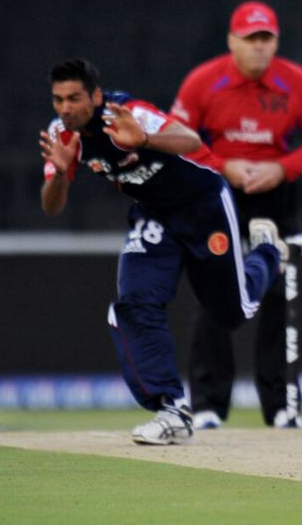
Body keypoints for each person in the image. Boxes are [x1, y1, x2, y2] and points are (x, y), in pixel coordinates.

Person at [39, 57, 286, 445]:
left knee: (232, 312)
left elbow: (191, 140)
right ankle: (172, 408)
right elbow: (51, 206)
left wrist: (144, 140)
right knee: (136, 302)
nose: (66, 109)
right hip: (155, 217)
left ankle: (268, 252)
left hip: (203, 207)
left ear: (96, 96)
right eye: (58, 100)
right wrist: (61, 178)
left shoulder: (129, 113)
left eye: (74, 98)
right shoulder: (61, 135)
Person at [170, 1, 302, 429]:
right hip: (217, 192)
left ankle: (279, 406)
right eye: (251, 40)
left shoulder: (297, 83)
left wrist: (280, 168)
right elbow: (174, 139)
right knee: (214, 294)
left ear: (276, 42)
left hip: (274, 197)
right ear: (232, 41)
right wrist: (223, 165)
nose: (260, 49)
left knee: (281, 295)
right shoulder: (203, 82)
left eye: (267, 40)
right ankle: (207, 404)